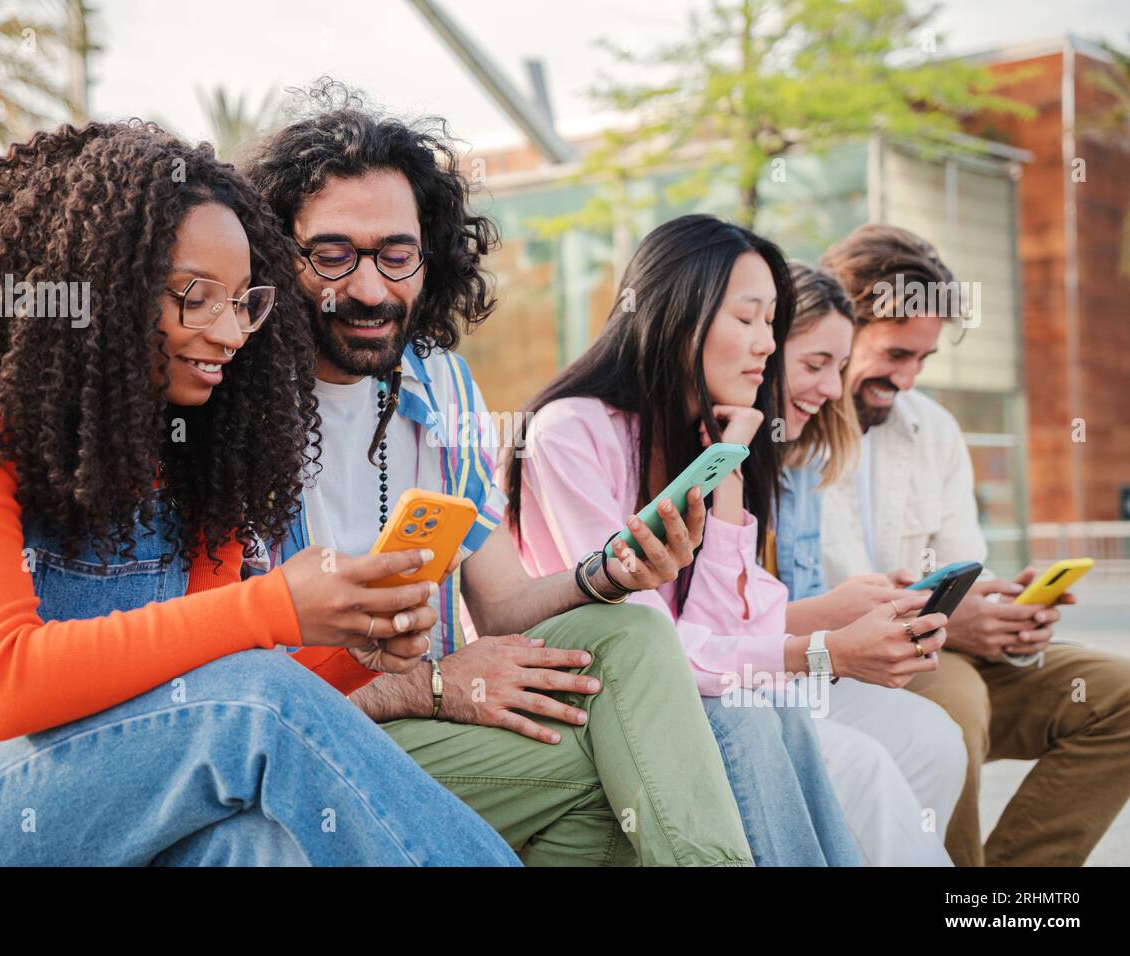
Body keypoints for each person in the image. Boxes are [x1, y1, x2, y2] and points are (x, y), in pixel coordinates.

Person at [0, 120, 519, 867]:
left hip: (91, 789)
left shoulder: (199, 454)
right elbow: (2, 683)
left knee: (258, 849)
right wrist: (277, 607)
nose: (227, 331)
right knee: (252, 700)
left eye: (244, 301)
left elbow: (186, 685)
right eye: (193, 297)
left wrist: (359, 643)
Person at [242, 81, 753, 866]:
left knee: (632, 627)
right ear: (279, 253)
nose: (372, 289)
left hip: (442, 721)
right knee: (618, 769)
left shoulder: (440, 383)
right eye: (333, 254)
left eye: (397, 254)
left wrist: (606, 572)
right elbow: (235, 681)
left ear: (430, 255)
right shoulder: (230, 403)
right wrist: (432, 684)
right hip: (324, 736)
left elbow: (505, 603)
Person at [506, 213, 954, 865]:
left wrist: (730, 469)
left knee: (784, 718)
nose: (766, 345)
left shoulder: (709, 440)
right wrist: (825, 650)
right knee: (743, 719)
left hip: (665, 696)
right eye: (747, 319)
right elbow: (650, 655)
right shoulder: (571, 432)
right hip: (581, 698)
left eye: (771, 325)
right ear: (675, 314)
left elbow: (728, 627)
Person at [819, 222, 1130, 866]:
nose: (908, 378)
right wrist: (950, 624)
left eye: (924, 359)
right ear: (837, 324)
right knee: (953, 707)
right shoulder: (789, 431)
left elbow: (964, 564)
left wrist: (1007, 614)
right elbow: (802, 598)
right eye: (896, 354)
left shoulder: (931, 428)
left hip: (943, 650)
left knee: (1120, 697)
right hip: (849, 666)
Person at [773, 261, 967, 858]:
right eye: (814, 365)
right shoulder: (730, 450)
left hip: (810, 661)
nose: (832, 387)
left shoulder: (811, 448)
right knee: (941, 714)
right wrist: (834, 628)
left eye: (923, 360)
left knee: (936, 736)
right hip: (764, 672)